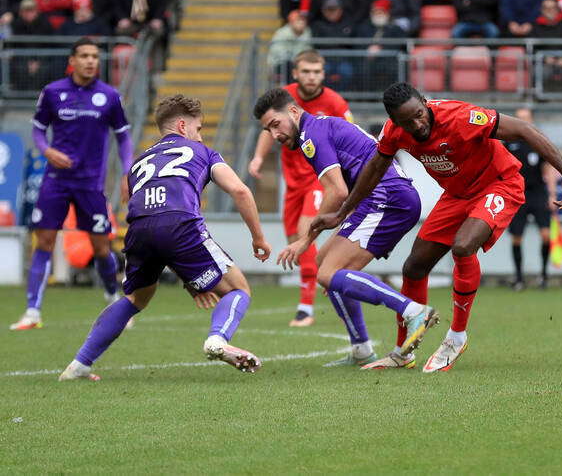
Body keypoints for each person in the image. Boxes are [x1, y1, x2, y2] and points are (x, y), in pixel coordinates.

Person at [307, 83, 562, 372]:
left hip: (499, 183)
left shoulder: (460, 117)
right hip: (457, 195)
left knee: (463, 246)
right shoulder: (394, 132)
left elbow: (524, 129)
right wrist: (342, 213)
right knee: (414, 267)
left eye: (419, 114)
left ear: (425, 103)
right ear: (394, 121)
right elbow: (374, 169)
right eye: (407, 122)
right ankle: (403, 352)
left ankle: (456, 338)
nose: (417, 124)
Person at [58, 96, 271, 380]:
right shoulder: (203, 152)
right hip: (180, 224)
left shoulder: (138, 163)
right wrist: (258, 238)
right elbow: (241, 191)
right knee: (238, 289)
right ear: (182, 126)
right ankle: (218, 339)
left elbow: (152, 220)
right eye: (198, 128)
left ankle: (79, 364)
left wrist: (190, 278)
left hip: (138, 230)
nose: (200, 135)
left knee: (135, 298)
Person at [254, 88, 438, 368]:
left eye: (275, 124)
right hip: (383, 197)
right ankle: (361, 349)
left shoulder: (311, 136)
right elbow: (350, 185)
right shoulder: (318, 127)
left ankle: (413, 311)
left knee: (330, 273)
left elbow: (336, 191)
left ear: (292, 111)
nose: (275, 134)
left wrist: (304, 240)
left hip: (387, 198)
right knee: (323, 264)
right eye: (268, 129)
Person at [10, 39, 133, 332]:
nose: (91, 61)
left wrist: (128, 171)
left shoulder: (109, 96)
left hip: (91, 184)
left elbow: (123, 137)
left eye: (95, 56)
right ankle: (32, 312)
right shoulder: (53, 92)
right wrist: (47, 151)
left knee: (101, 247)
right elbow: (38, 131)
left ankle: (113, 301)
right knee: (44, 241)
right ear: (72, 60)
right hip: (56, 181)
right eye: (85, 56)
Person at [248, 51, 353, 327]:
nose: (311, 77)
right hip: (292, 182)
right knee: (295, 242)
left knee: (306, 233)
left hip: (320, 178)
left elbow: (350, 132)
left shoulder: (334, 102)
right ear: (295, 73)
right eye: (306, 71)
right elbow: (268, 130)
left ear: (323, 74)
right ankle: (335, 280)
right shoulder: (283, 99)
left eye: (316, 72)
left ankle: (306, 308)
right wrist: (258, 158)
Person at [504, 107, 554, 290]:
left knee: (546, 235)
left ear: (531, 120)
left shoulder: (538, 141)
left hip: (538, 193)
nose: (522, 121)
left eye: (525, 118)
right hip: (517, 194)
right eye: (519, 118)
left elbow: (547, 169)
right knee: (517, 238)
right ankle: (519, 278)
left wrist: (552, 195)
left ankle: (544, 275)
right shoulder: (509, 143)